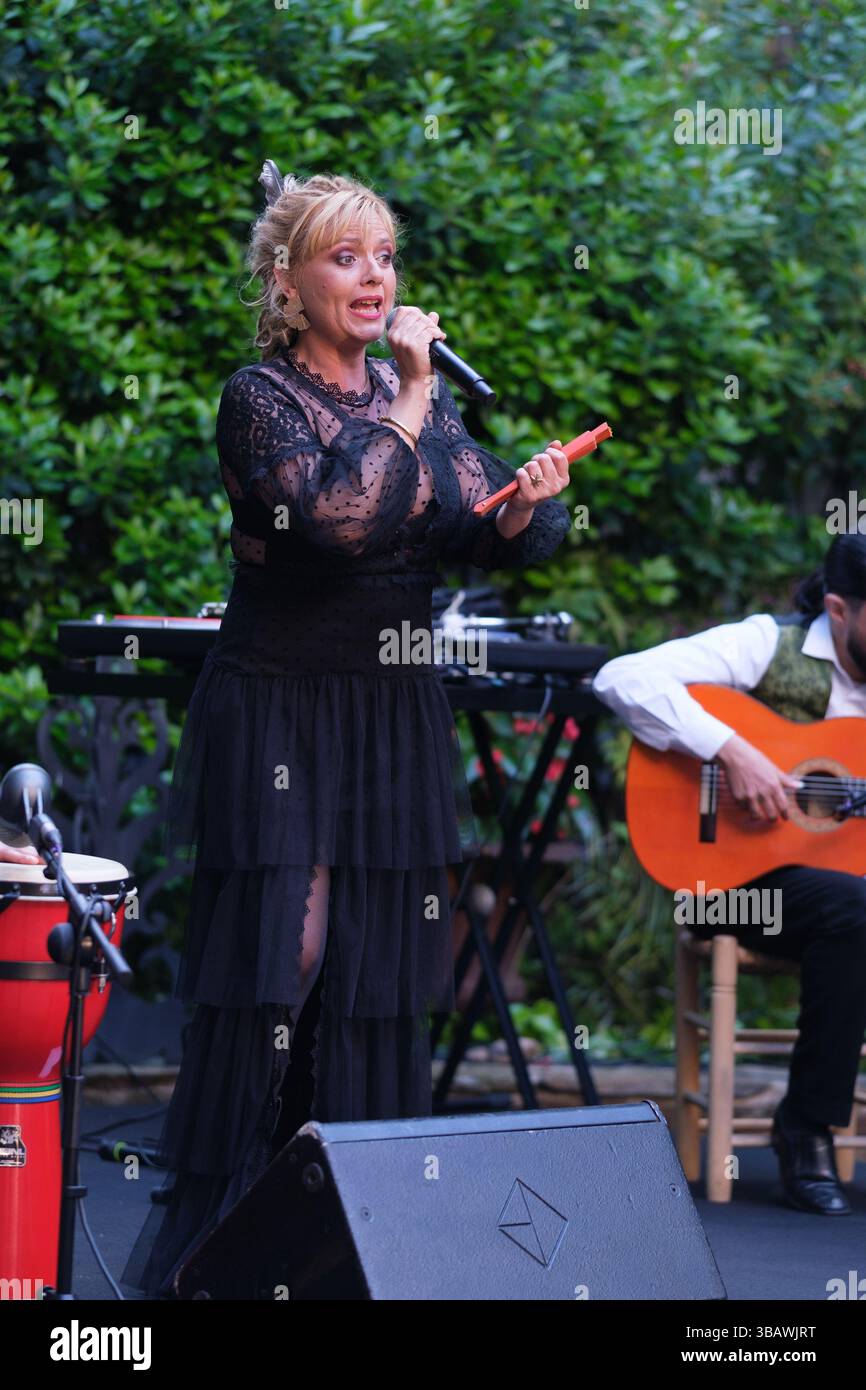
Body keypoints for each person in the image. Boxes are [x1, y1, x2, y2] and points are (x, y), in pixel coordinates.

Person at [121, 166, 572, 1297]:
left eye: (382, 255)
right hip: (280, 701)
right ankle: (217, 1244)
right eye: (343, 256)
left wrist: (523, 500)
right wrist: (409, 400)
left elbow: (485, 526)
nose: (373, 276)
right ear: (288, 280)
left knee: (373, 963)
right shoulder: (258, 397)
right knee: (293, 952)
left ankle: (336, 1248)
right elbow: (337, 517)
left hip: (389, 710)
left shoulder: (415, 395)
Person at [592, 533, 866, 1215]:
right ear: (839, 609)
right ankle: (805, 1129)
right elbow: (621, 677)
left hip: (838, 900)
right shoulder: (766, 646)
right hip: (720, 889)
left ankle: (807, 1118)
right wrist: (731, 749)